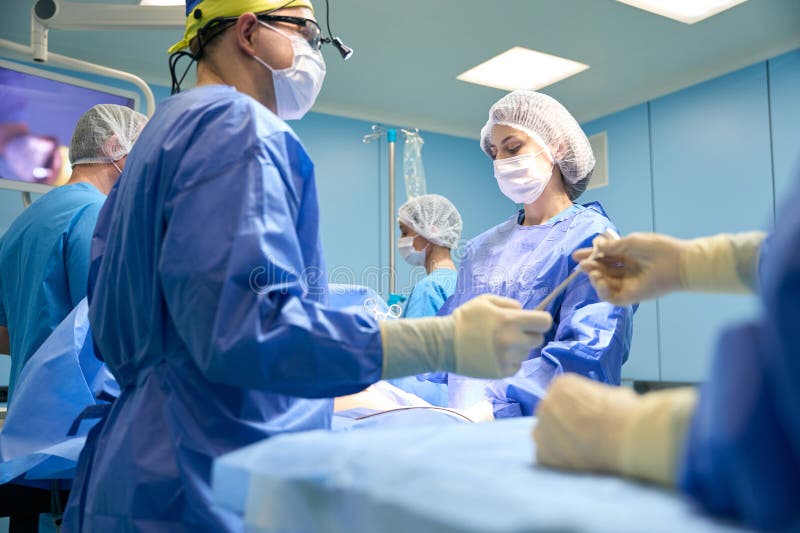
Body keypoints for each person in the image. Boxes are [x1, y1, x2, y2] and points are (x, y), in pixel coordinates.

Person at [61, 2, 553, 530]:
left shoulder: (160, 135)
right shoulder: (236, 130)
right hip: (209, 467)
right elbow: (245, 329)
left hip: (141, 461)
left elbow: (124, 324)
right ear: (249, 31)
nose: (315, 51)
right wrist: (442, 341)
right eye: (307, 32)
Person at [532, 205, 800, 529]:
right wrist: (691, 262)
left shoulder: (586, 227)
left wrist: (634, 430)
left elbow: (777, 458)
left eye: (514, 149)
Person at [430, 90, 635, 421]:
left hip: (541, 436)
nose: (501, 163)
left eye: (513, 148)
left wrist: (498, 407)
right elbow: (446, 347)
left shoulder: (596, 242)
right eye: (494, 153)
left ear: (557, 147)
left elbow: (588, 358)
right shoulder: (482, 249)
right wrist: (400, 388)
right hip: (460, 430)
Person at [0, 104, 146, 404]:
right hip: (76, 416)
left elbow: (4, 333)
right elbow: (113, 331)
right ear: (114, 146)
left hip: (28, 413)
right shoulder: (98, 214)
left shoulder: (22, 223)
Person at [390, 194, 462, 405]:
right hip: (457, 399)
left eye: (405, 232)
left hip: (429, 403)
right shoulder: (462, 283)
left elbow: (413, 365)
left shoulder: (428, 289)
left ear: (430, 230)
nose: (402, 240)